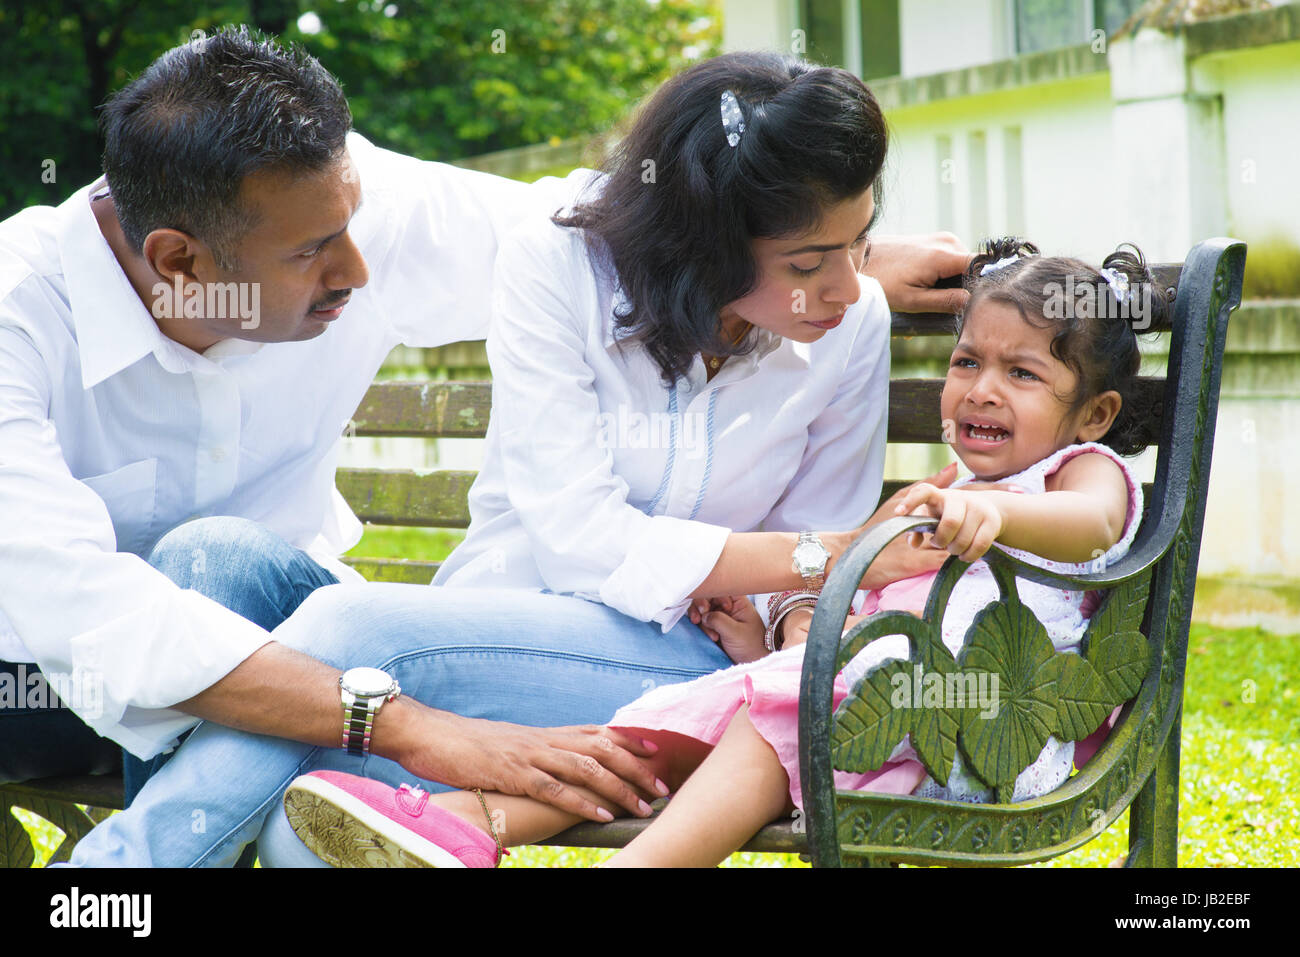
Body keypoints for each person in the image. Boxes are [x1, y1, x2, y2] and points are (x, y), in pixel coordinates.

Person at [61, 50, 973, 867]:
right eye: (810, 259)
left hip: (685, 664)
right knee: (203, 564)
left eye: (859, 244)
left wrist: (787, 606)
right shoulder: (558, 264)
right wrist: (824, 548)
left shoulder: (850, 322)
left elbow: (813, 552)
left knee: (351, 640)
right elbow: (582, 536)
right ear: (703, 240)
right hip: (484, 625)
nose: (848, 287)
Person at [279, 237, 1162, 867]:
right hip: (860, 693)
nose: (981, 389)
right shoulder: (950, 489)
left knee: (749, 721)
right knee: (669, 728)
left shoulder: (1083, 475)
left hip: (968, 712)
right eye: (968, 362)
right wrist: (762, 641)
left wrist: (998, 517)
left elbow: (1089, 527)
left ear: (1094, 414)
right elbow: (870, 608)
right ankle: (465, 821)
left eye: (1023, 374)